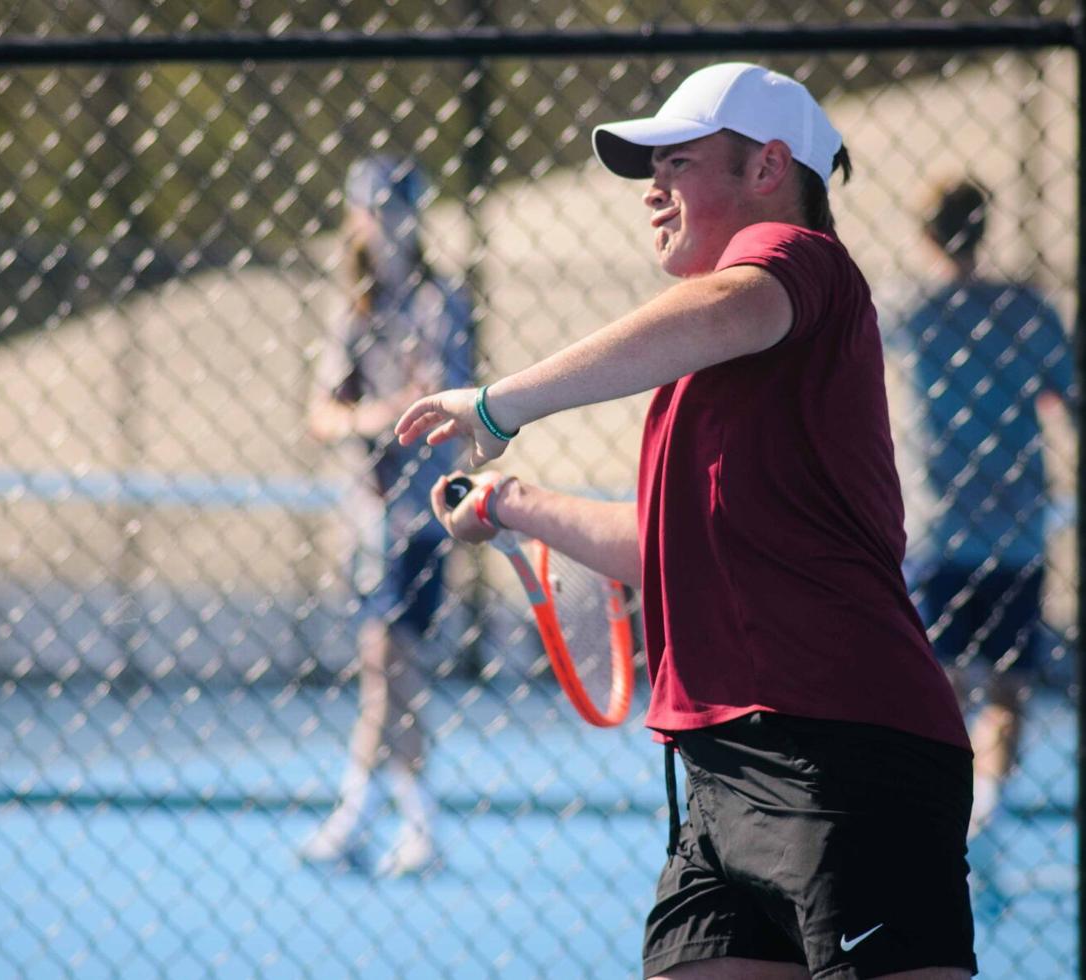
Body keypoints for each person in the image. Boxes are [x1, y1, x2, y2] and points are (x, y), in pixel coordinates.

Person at [396, 63, 976, 978]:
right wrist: (514, 503)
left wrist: (501, 405)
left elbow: (719, 305)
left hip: (849, 747)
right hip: (718, 772)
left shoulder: (801, 264)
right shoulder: (708, 362)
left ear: (768, 167)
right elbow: (669, 547)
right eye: (649, 170)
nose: (651, 192)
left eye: (678, 163)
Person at [297, 156, 474, 877]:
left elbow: (459, 406)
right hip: (368, 514)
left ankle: (380, 818)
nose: (388, 222)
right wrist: (371, 415)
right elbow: (321, 415)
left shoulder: (444, 303)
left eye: (400, 208)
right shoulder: (353, 311)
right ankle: (389, 820)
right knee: (387, 668)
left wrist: (421, 412)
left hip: (425, 514)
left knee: (390, 662)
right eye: (376, 208)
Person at [896, 178, 1074, 839]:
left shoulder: (913, 308)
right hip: (1018, 527)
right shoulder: (1028, 309)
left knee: (937, 679)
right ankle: (986, 807)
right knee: (1008, 684)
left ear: (925, 233)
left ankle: (939, 804)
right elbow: (1069, 394)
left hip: (940, 527)